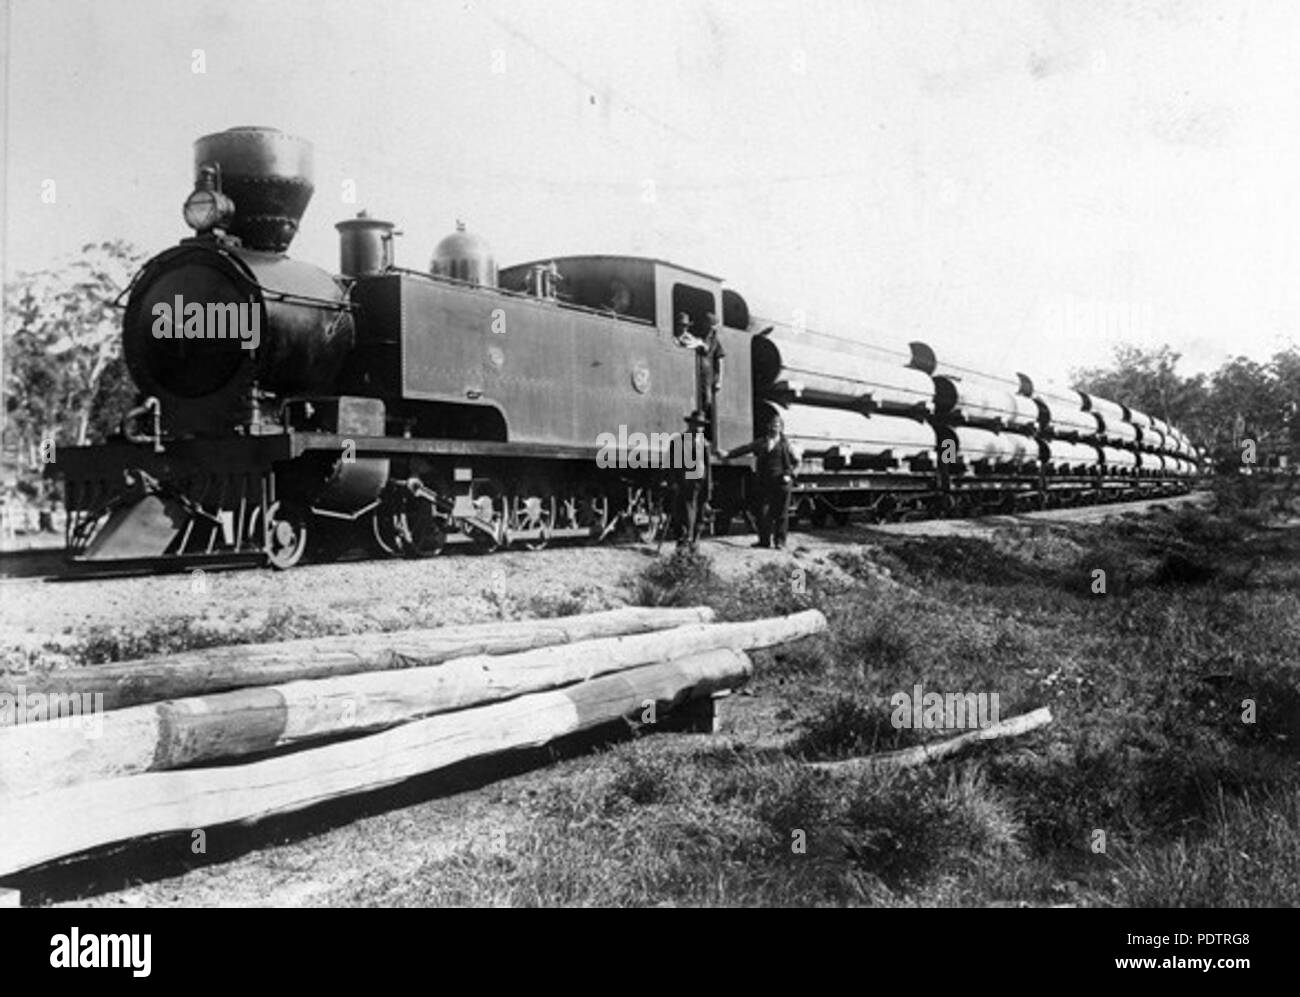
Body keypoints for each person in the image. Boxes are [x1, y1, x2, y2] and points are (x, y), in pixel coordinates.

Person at [720, 413, 799, 549]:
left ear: (781, 428)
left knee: (781, 513)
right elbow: (746, 448)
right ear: (768, 426)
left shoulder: (787, 445)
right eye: (772, 425)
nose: (774, 428)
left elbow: (797, 463)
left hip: (782, 483)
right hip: (764, 483)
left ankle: (780, 542)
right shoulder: (761, 443)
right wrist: (728, 454)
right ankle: (764, 541)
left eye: (777, 425)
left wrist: (790, 475)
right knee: (762, 513)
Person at [672, 410, 711, 551]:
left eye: (701, 425)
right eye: (696, 424)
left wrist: (709, 486)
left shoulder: (704, 444)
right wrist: (675, 482)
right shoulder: (678, 441)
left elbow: (708, 466)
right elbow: (672, 465)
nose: (699, 428)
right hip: (686, 481)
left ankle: (695, 540)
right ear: (690, 424)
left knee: (699, 513)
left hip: (701, 482)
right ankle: (683, 540)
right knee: (685, 512)